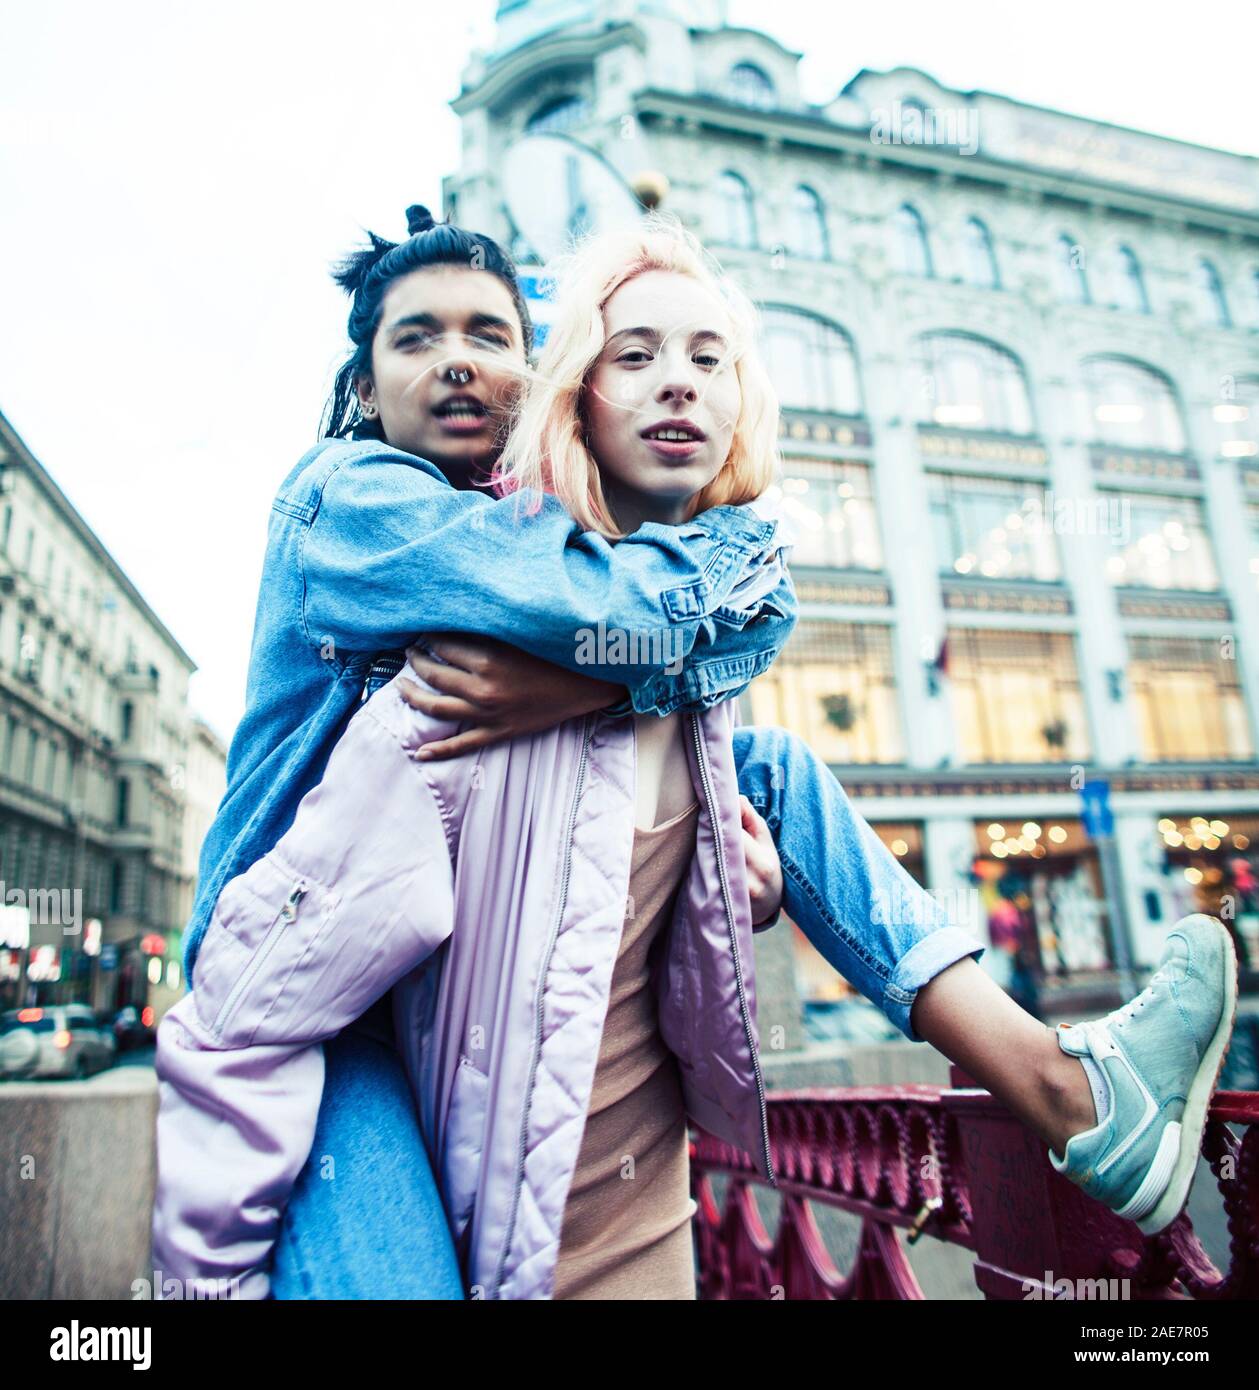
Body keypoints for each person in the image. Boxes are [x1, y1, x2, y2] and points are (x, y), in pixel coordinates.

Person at [154, 209, 1238, 1299]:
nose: (456, 363)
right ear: (363, 383)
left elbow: (731, 618)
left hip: (422, 971)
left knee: (764, 769)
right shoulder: (355, 498)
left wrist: (614, 702)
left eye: (488, 335)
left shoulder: (504, 525)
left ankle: (1068, 1089)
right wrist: (648, 637)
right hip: (297, 978)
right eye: (415, 337)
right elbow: (606, 598)